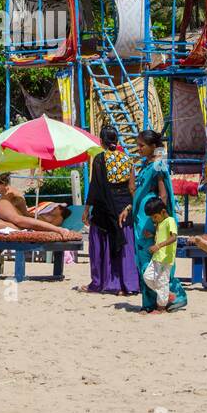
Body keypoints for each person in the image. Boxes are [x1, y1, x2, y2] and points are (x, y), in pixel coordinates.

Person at [78, 126, 140, 294]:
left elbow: (95, 187)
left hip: (105, 209)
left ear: (101, 142)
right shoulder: (128, 159)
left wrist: (86, 210)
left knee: (101, 246)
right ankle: (126, 285)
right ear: (117, 140)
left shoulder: (100, 159)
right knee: (125, 248)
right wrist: (132, 207)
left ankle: (101, 283)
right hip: (124, 208)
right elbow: (132, 187)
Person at [131, 129, 187, 313]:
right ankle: (149, 303)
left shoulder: (158, 167)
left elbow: (163, 197)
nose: (138, 149)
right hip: (141, 222)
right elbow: (138, 193)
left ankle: (174, 297)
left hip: (150, 223)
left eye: (142, 146)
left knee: (156, 265)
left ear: (153, 147)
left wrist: (157, 227)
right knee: (144, 263)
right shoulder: (147, 166)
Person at [142, 197, 179, 311]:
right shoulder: (160, 223)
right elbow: (162, 236)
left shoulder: (170, 221)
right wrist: (152, 236)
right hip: (156, 257)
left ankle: (161, 307)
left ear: (163, 211)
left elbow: (173, 237)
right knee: (147, 277)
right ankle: (166, 294)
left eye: (155, 217)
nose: (153, 219)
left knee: (162, 281)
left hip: (165, 258)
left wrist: (158, 246)